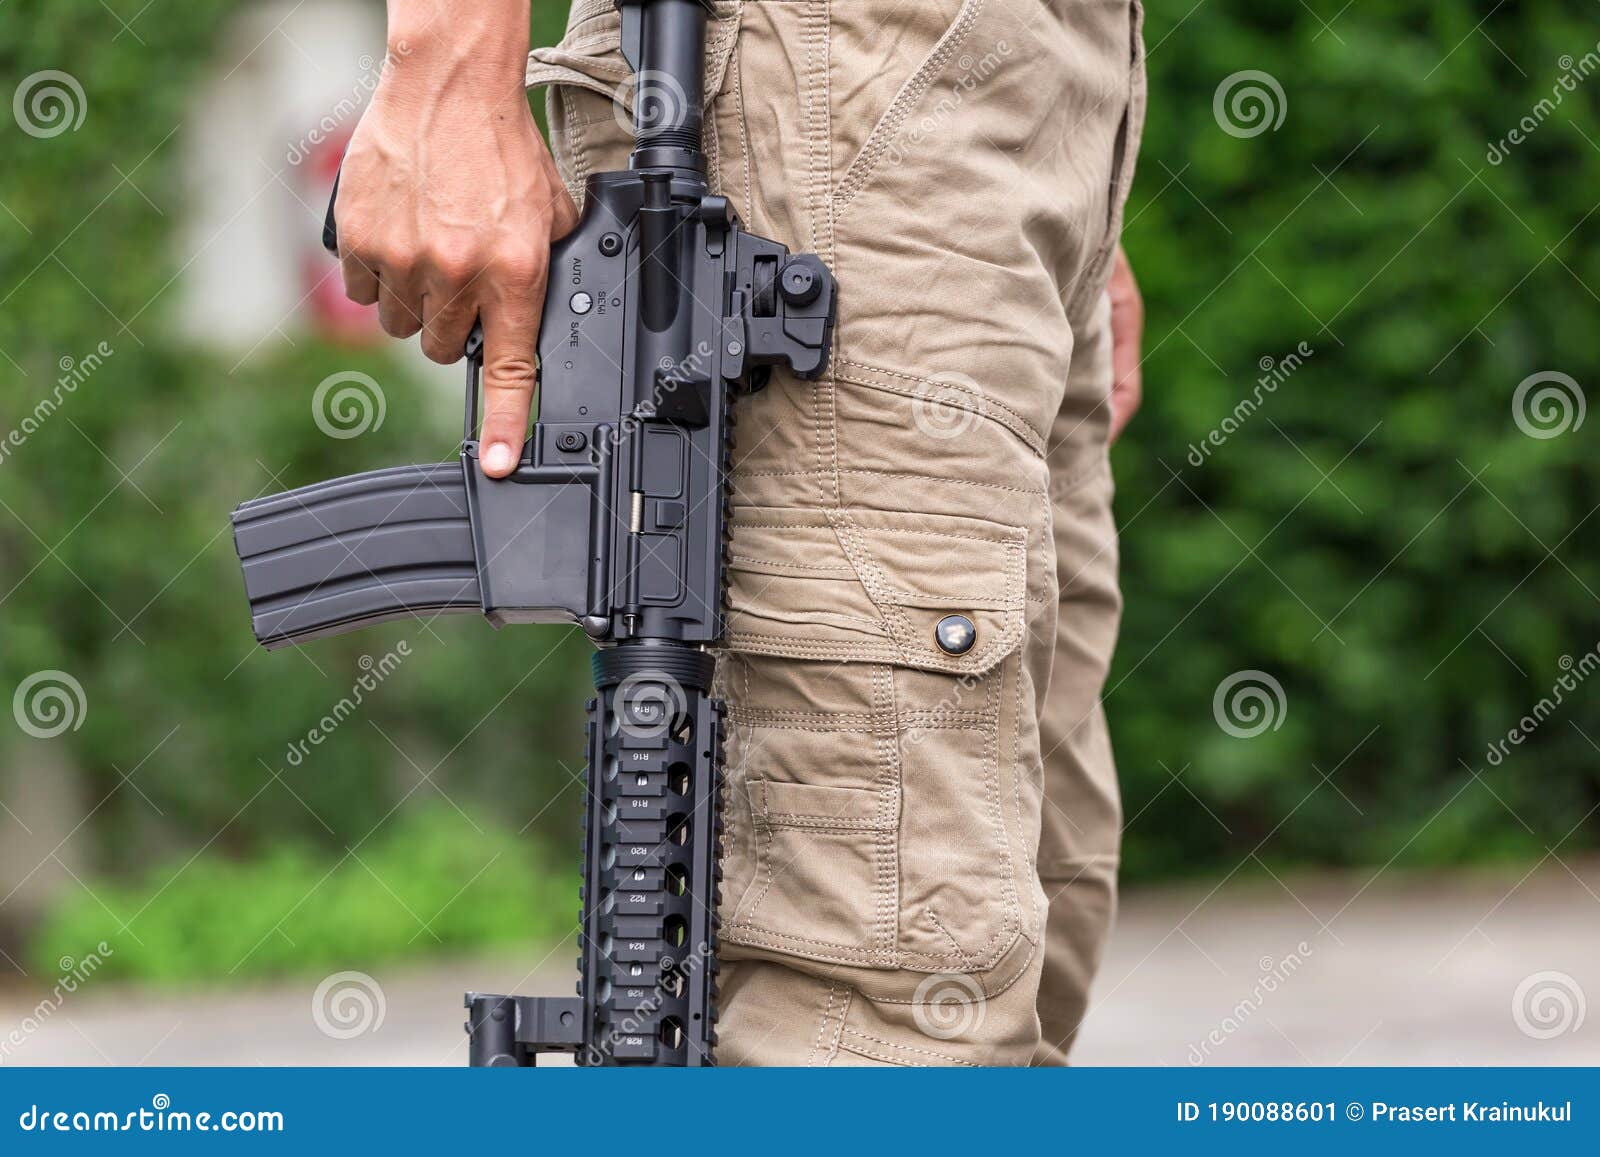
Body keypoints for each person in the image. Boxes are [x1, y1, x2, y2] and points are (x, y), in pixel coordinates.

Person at [334, 0, 1146, 1066]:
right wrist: (447, 54)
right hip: (827, 75)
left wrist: (1059, 179)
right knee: (886, 991)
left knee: (1033, 918)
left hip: (1001, 113)